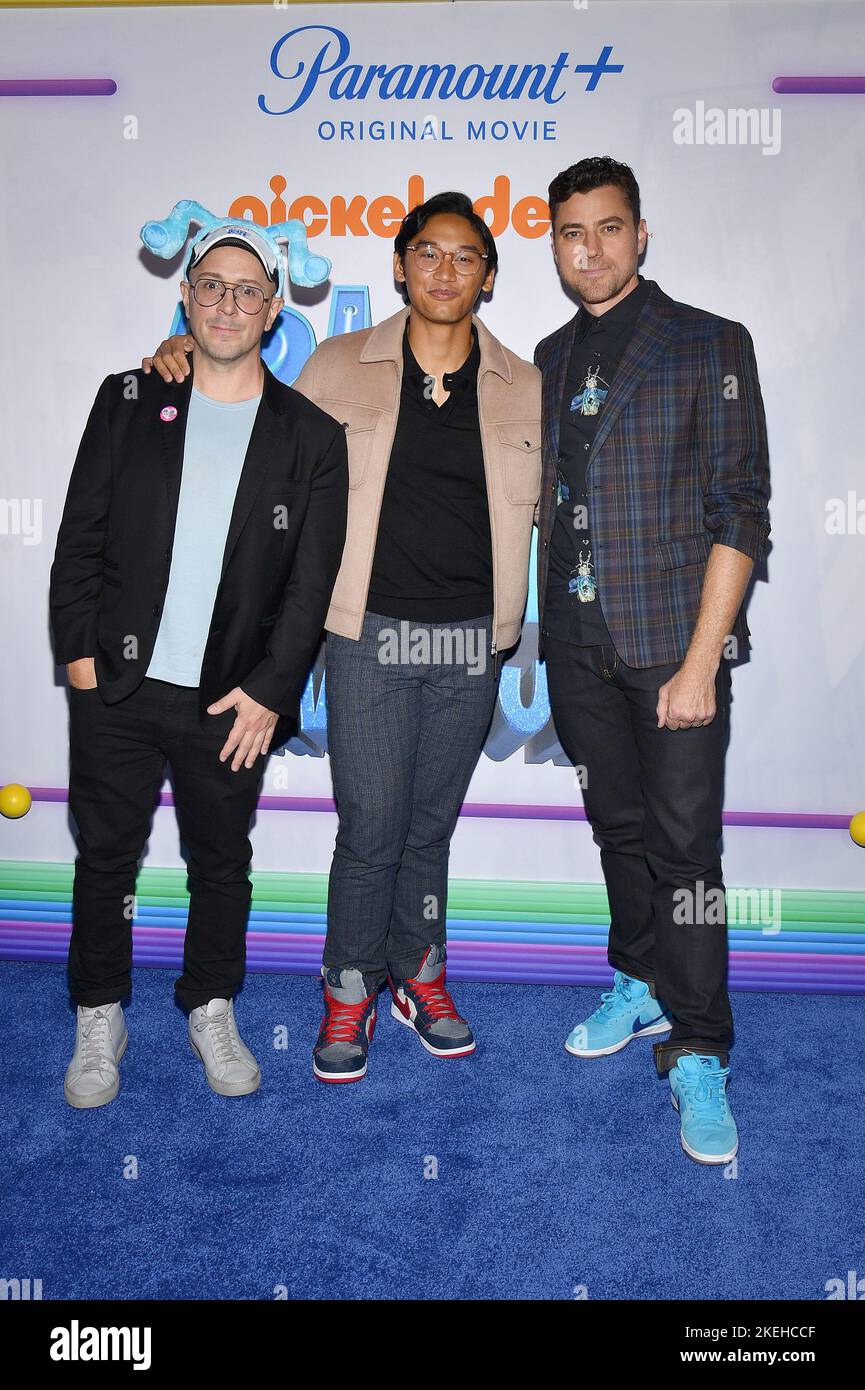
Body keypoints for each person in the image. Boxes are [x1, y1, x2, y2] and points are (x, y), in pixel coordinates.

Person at [145, 191, 542, 1083]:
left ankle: (420, 973)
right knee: (370, 824)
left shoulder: (526, 385)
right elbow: (249, 421)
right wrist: (177, 355)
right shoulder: (333, 366)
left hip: (472, 643)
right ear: (399, 266)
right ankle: (349, 986)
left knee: (429, 827)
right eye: (427, 254)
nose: (445, 270)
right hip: (366, 637)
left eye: (465, 256)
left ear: (487, 276)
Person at [50, 219, 348, 1107]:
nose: (227, 303)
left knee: (221, 862)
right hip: (121, 687)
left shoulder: (310, 436)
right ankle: (99, 1012)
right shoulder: (131, 398)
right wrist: (78, 656)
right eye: (210, 286)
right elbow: (80, 538)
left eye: (247, 290)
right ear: (185, 297)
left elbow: (310, 584)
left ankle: (211, 1004)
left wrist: (269, 691)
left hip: (232, 701)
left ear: (273, 310)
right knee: (105, 859)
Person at [535, 156, 770, 1164]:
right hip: (576, 647)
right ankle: (636, 979)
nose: (589, 249)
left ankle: (701, 1043)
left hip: (672, 647)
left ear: (641, 234)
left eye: (608, 228)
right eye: (570, 232)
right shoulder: (542, 357)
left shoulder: (707, 343)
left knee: (687, 854)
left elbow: (740, 511)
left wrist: (699, 661)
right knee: (617, 828)